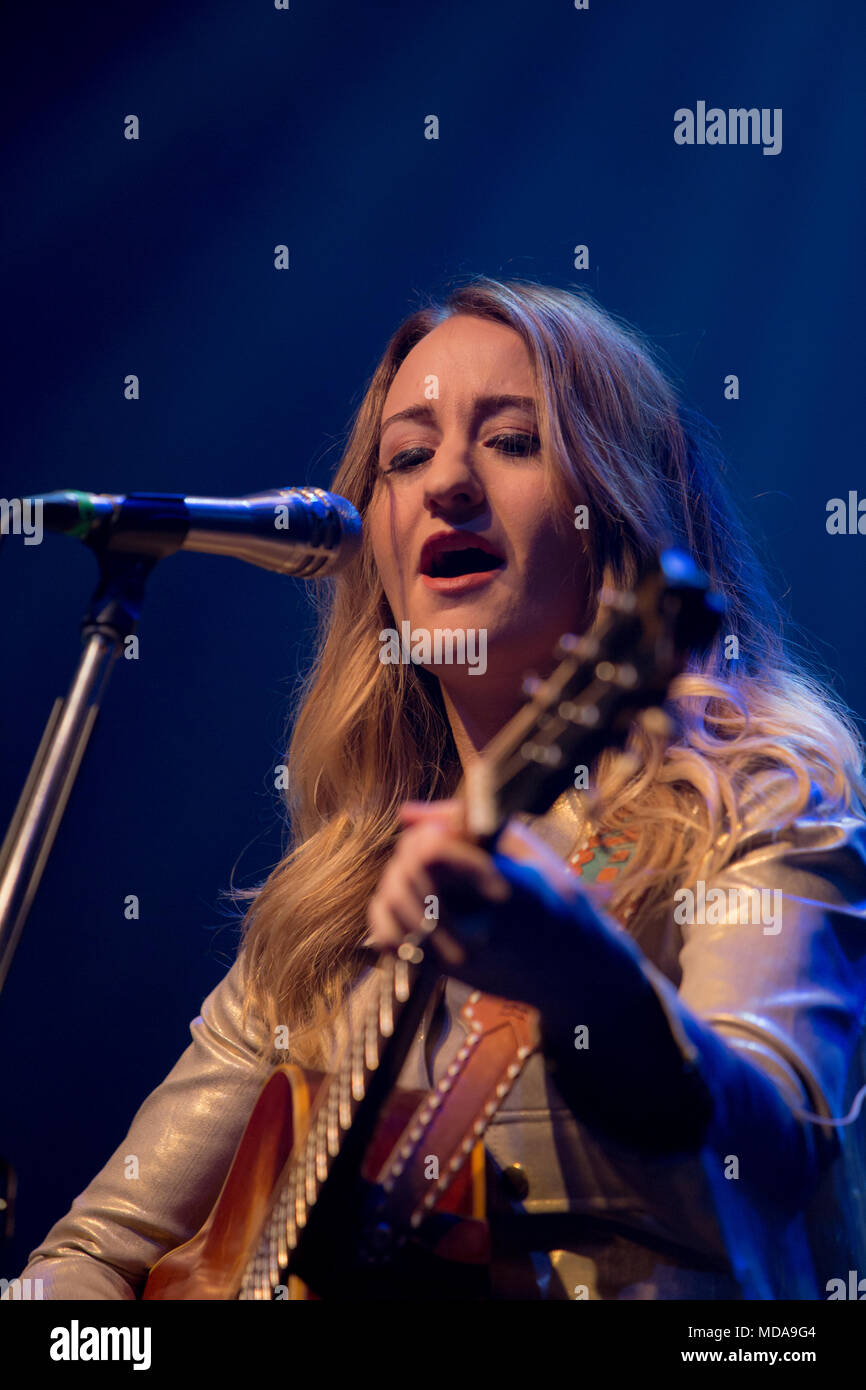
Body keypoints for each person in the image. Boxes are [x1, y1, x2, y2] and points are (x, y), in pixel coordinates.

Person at [6, 277, 866, 1301]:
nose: (444, 482)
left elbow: (765, 1157)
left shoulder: (761, 789)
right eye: (404, 457)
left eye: (511, 440)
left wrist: (585, 978)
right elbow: (94, 1253)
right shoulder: (334, 901)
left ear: (620, 510)